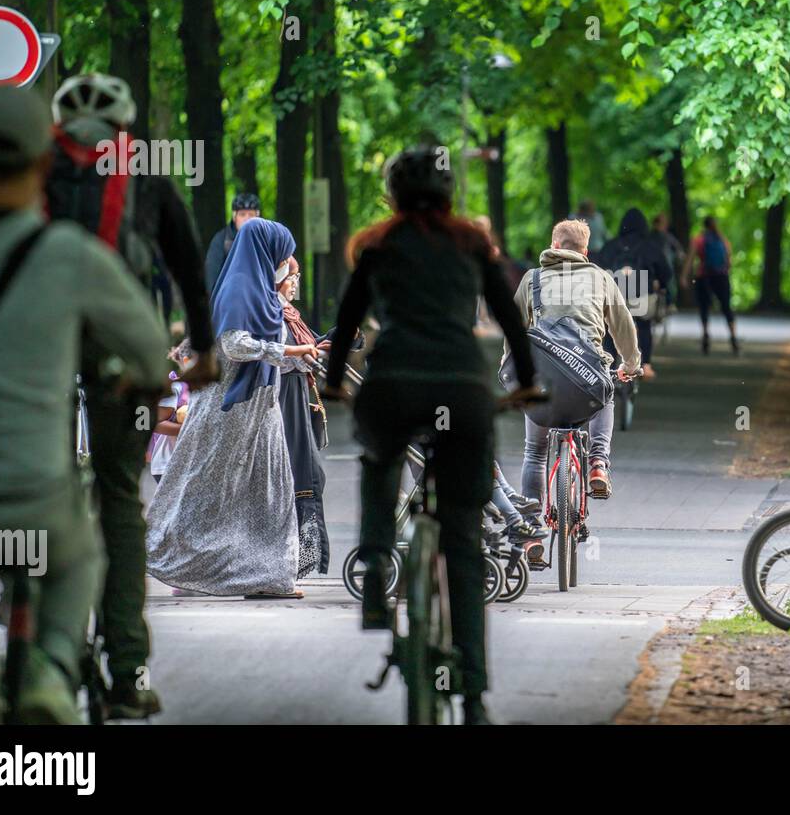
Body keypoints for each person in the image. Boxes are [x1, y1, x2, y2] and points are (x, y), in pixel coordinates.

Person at [0, 86, 172, 722]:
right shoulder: (67, 256)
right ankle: (48, 669)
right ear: (46, 163)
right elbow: (154, 351)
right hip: (30, 505)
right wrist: (138, 377)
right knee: (80, 557)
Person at [324, 146, 542, 725]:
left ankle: (374, 568)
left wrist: (330, 385)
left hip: (392, 385)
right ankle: (471, 695)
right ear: (449, 196)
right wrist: (526, 385)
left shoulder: (377, 247)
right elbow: (511, 321)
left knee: (380, 459)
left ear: (393, 196)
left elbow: (346, 323)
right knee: (463, 541)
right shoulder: (471, 246)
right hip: (463, 389)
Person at [47, 73, 219, 718]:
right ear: (125, 125)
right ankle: (126, 669)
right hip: (126, 358)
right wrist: (201, 351)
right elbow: (188, 268)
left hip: (43, 354)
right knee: (119, 494)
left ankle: (36, 643)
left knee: (42, 485)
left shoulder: (34, 172)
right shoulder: (143, 173)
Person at [146, 219, 320, 599]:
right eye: (284, 253)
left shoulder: (265, 295)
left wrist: (301, 358)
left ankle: (269, 576)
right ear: (266, 250)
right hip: (228, 411)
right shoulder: (239, 291)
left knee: (270, 494)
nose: (289, 262)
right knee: (206, 492)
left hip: (262, 409)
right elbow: (235, 346)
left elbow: (266, 354)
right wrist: (288, 351)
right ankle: (174, 559)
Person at [515, 218, 641, 501]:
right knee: (607, 388)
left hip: (542, 382)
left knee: (534, 453)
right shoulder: (601, 278)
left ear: (554, 246)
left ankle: (531, 532)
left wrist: (509, 370)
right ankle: (598, 462)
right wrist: (630, 365)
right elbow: (623, 327)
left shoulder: (531, 279)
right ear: (585, 252)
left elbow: (513, 330)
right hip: (587, 378)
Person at [275, 256, 332, 577]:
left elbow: (309, 343)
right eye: (291, 277)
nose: (295, 282)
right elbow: (278, 354)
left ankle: (305, 553)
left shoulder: (290, 313)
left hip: (295, 392)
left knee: (310, 474)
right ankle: (301, 552)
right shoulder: (273, 311)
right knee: (304, 474)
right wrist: (306, 355)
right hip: (283, 396)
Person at [598, 208, 672, 379]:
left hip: (615, 298)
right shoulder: (649, 246)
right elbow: (666, 273)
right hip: (641, 297)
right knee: (644, 326)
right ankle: (646, 365)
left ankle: (607, 367)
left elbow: (598, 269)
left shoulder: (610, 246)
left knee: (610, 327)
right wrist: (659, 283)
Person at [684, 215, 738, 355]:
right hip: (721, 277)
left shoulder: (698, 239)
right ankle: (733, 337)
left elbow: (690, 259)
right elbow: (729, 261)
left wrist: (684, 276)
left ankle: (706, 334)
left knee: (704, 307)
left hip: (703, 277)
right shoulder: (722, 240)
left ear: (704, 225)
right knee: (726, 307)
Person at [148, 342, 194, 484]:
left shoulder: (200, 385)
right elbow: (157, 423)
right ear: (186, 361)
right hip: (168, 466)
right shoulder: (175, 385)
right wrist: (188, 429)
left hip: (190, 465)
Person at [205, 192, 262, 292]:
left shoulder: (266, 240)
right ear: (234, 216)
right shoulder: (221, 240)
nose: (247, 219)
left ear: (258, 216)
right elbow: (211, 279)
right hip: (229, 300)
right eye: (242, 214)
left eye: (251, 214)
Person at [649, 213, 686, 305]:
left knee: (668, 286)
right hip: (654, 267)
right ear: (656, 224)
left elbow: (679, 250)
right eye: (663, 223)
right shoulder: (650, 236)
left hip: (665, 267)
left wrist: (679, 256)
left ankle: (668, 304)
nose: (665, 225)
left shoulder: (668, 237)